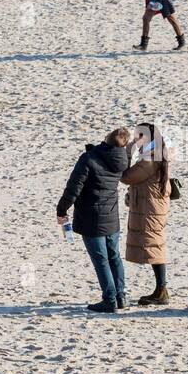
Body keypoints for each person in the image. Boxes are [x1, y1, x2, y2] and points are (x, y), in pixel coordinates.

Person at [56, 128, 131, 313]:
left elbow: (73, 187)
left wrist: (61, 209)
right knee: (114, 257)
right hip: (112, 216)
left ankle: (110, 300)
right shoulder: (122, 159)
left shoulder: (88, 158)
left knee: (101, 260)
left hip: (92, 217)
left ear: (106, 139)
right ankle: (120, 297)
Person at [121, 123, 173, 306]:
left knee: (154, 246)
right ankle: (161, 289)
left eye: (139, 136)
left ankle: (161, 291)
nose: (135, 139)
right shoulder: (156, 155)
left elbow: (125, 176)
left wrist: (127, 151)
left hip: (149, 210)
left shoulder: (149, 160)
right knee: (155, 244)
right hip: (153, 208)